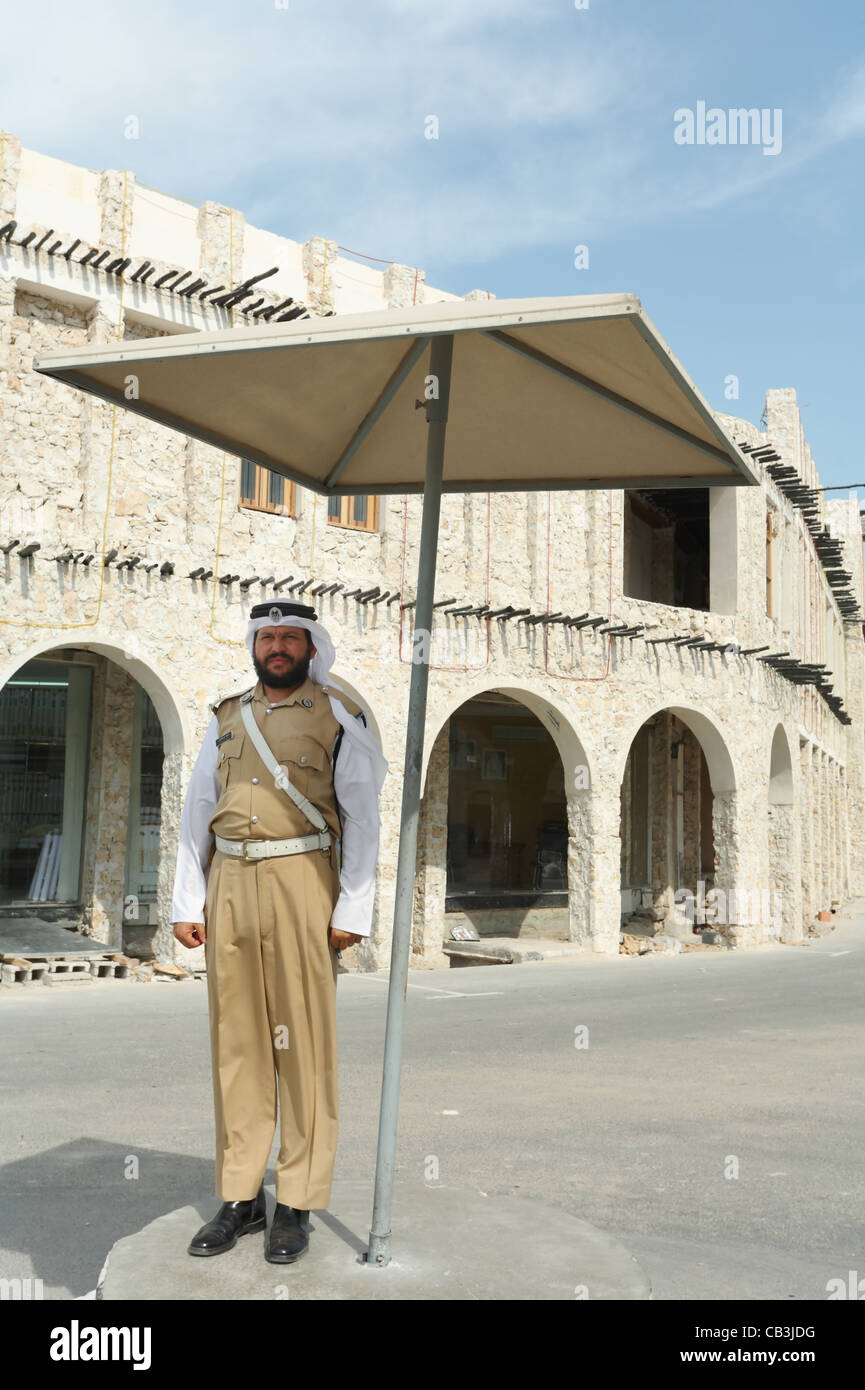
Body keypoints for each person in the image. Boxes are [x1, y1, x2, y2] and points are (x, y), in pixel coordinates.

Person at [169, 599, 386, 1264]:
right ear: (255, 645)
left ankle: (295, 1199)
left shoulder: (338, 712)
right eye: (269, 637)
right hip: (231, 880)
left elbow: (362, 813)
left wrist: (352, 908)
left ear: (310, 646)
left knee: (303, 1042)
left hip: (301, 879)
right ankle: (241, 1197)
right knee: (237, 1042)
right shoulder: (226, 717)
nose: (279, 647)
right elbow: (199, 807)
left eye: (291, 637)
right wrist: (188, 899)